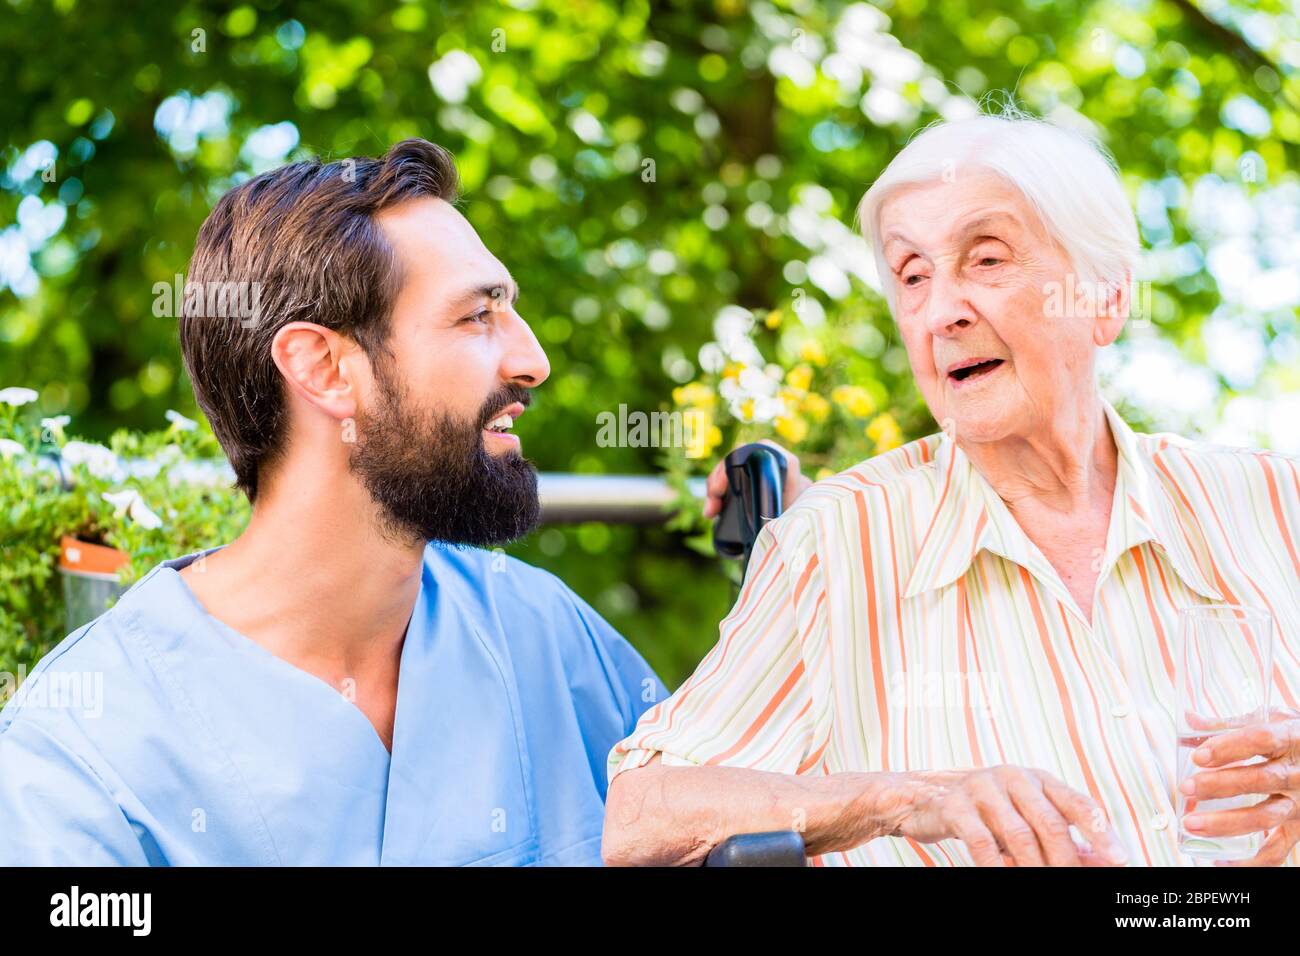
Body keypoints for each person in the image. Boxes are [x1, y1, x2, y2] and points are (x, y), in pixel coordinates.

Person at [0, 139, 804, 866]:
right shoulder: (80, 757)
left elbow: (762, 815)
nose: (533, 360)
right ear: (324, 368)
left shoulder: (546, 639)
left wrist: (810, 572)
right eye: (477, 314)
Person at [603, 111, 1300, 867]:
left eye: (987, 259)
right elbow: (639, 818)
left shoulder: (1273, 501)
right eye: (912, 276)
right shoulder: (837, 547)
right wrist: (910, 799)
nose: (942, 312)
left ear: (1106, 297)